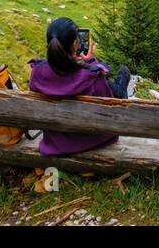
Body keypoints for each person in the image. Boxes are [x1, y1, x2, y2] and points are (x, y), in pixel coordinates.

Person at [28, 17, 131, 156]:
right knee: (123, 76)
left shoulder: (37, 73)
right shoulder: (93, 76)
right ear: (75, 45)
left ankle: (120, 84)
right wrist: (91, 62)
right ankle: (122, 84)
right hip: (95, 141)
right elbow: (111, 110)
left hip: (55, 143)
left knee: (117, 82)